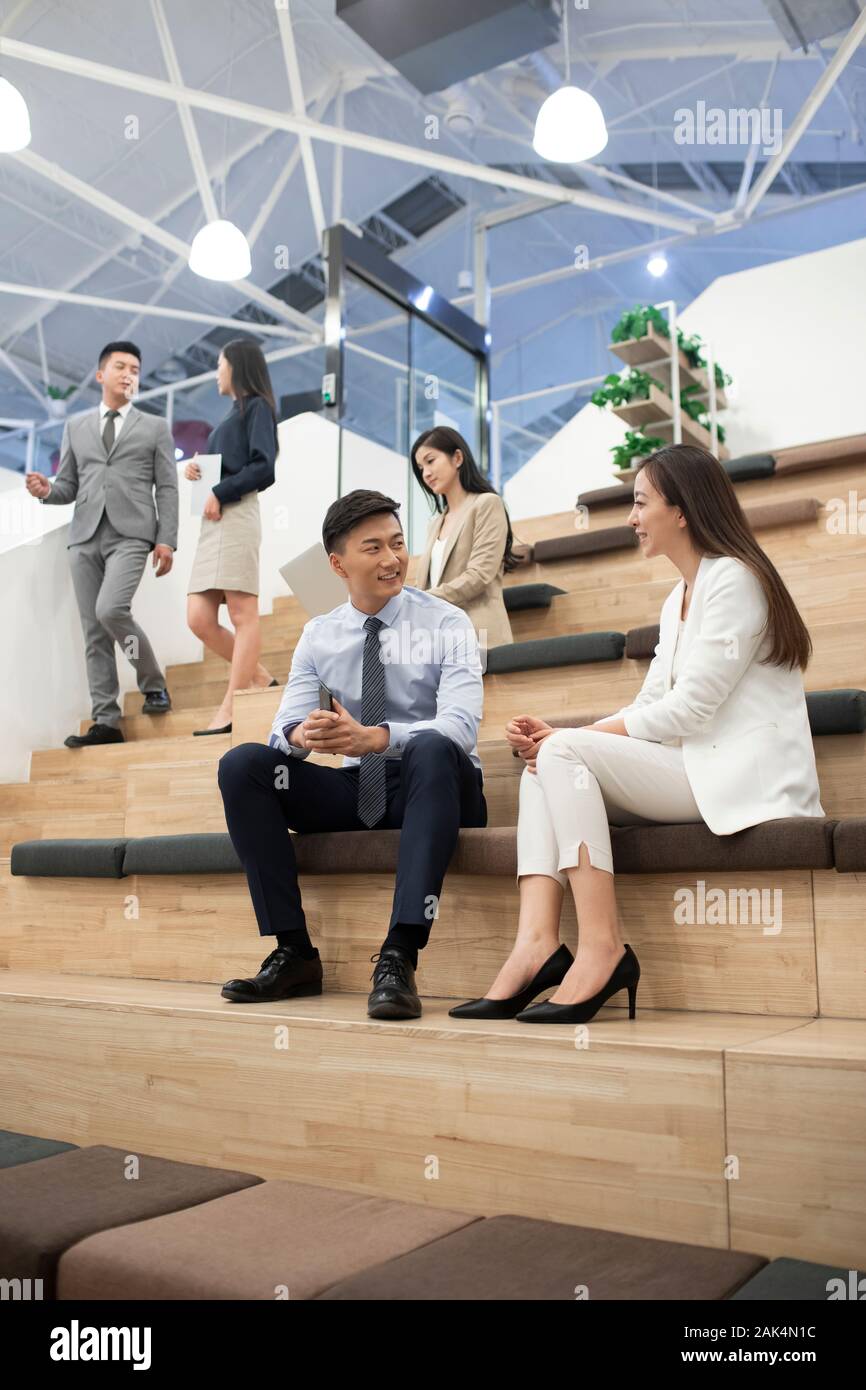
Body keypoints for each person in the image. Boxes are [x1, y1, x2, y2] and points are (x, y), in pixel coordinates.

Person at [450, 443, 824, 1025]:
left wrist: (571, 737)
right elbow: (652, 703)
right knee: (542, 764)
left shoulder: (736, 581)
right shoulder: (680, 594)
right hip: (693, 768)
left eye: (640, 502)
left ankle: (604, 947)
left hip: (740, 778)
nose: (631, 516)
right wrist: (561, 736)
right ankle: (537, 943)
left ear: (682, 509)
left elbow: (691, 709)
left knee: (561, 752)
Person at [217, 488, 487, 1020]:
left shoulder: (448, 622)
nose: (391, 559)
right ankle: (293, 952)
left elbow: (460, 728)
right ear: (338, 564)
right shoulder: (319, 636)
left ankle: (399, 955)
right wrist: (305, 735)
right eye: (373, 548)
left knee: (431, 745)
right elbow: (282, 732)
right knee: (243, 766)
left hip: (436, 786)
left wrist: (378, 737)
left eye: (398, 543)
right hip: (360, 787)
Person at [25, 340, 177, 747]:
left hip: (132, 534)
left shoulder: (155, 427)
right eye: (121, 366)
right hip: (84, 536)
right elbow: (69, 486)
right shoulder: (75, 426)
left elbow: (167, 487)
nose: (129, 374)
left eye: (135, 369)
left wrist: (167, 539)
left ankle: (153, 682)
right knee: (93, 629)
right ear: (100, 374)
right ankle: (106, 720)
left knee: (111, 610)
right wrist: (46, 490)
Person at [184, 338, 279, 735]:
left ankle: (232, 707)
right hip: (214, 523)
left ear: (236, 366)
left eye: (220, 364)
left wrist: (220, 490)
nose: (217, 372)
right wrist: (198, 470)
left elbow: (264, 467)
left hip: (236, 515)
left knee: (243, 613)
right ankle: (260, 679)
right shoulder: (231, 415)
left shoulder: (258, 407)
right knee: (198, 618)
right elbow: (227, 466)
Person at [413, 426, 517, 656]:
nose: (426, 473)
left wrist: (421, 599)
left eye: (431, 461)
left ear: (457, 458)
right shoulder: (434, 524)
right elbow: (425, 585)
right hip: (439, 644)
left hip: (480, 636)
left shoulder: (487, 504)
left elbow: (479, 576)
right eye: (421, 468)